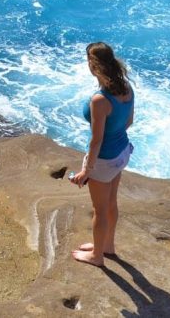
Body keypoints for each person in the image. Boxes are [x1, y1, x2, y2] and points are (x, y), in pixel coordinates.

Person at [71, 41, 135, 267]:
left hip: (105, 160)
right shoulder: (126, 88)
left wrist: (86, 171)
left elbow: (96, 140)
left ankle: (97, 256)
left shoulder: (100, 100)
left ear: (93, 65)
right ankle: (106, 246)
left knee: (99, 210)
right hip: (121, 152)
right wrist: (114, 134)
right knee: (111, 203)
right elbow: (129, 121)